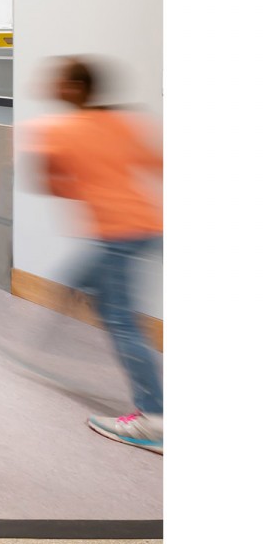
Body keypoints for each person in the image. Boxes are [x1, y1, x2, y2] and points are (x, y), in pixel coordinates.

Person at [25, 56, 164, 455]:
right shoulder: (122, 123)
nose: (51, 85)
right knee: (85, 286)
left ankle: (154, 418)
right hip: (147, 226)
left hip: (117, 233)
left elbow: (51, 184)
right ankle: (55, 330)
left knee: (121, 320)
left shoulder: (57, 131)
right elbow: (156, 165)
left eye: (59, 80)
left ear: (72, 89)